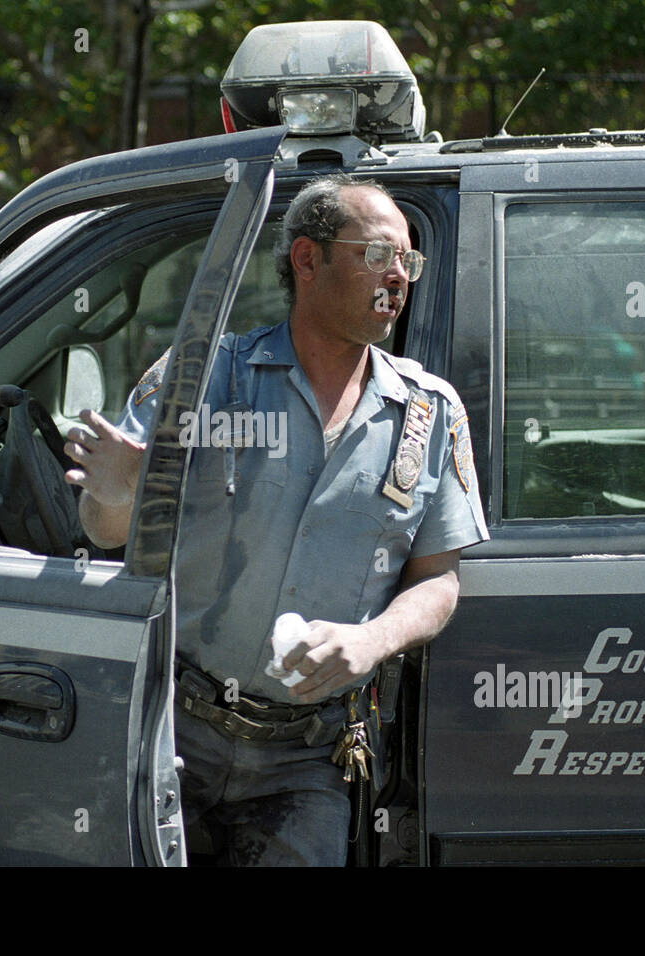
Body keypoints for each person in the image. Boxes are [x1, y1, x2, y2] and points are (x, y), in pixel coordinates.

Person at [63, 173, 488, 866]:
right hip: (173, 732)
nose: (398, 277)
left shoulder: (428, 412)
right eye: (377, 253)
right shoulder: (205, 378)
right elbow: (106, 531)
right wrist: (113, 492)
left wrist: (374, 640)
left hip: (310, 759)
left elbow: (440, 578)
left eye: (408, 261)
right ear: (306, 259)